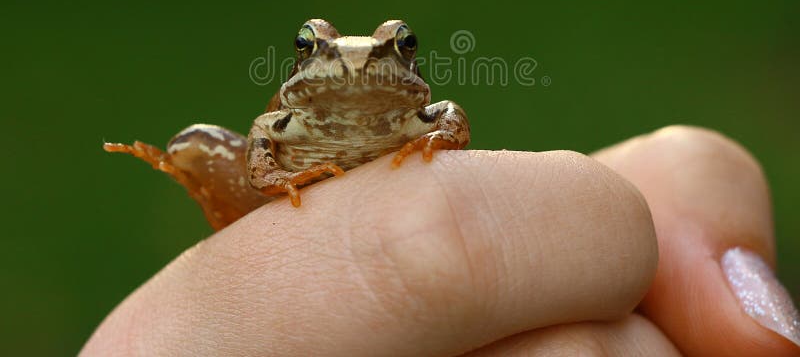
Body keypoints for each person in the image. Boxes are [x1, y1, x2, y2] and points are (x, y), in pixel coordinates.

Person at [81, 126, 800, 356]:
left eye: (396, 49)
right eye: (316, 49)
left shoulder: (419, 113)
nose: (358, 64)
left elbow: (450, 116)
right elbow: (265, 139)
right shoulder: (288, 125)